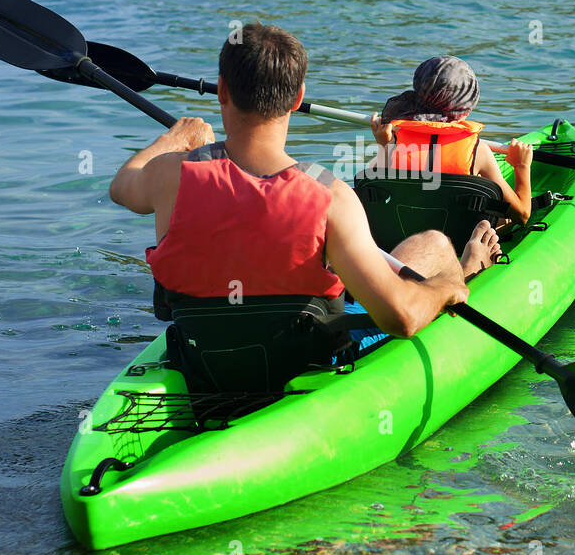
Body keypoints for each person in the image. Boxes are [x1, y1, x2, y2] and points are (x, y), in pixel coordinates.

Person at [107, 24, 502, 393]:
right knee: (435, 244)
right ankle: (462, 272)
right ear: (297, 98)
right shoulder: (330, 197)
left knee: (416, 249)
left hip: (201, 358)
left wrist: (178, 138)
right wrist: (447, 287)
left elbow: (122, 186)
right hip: (306, 364)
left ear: (222, 91)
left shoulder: (168, 177)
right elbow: (401, 319)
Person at [368, 56, 534, 223]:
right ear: (466, 108)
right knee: (503, 218)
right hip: (460, 243)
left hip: (403, 235)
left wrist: (383, 145)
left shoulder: (395, 143)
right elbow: (522, 215)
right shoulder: (479, 151)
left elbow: (374, 189)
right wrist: (522, 166)